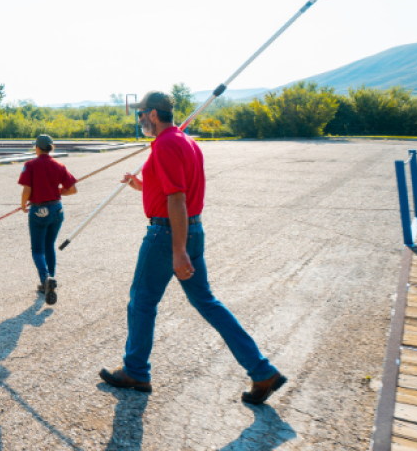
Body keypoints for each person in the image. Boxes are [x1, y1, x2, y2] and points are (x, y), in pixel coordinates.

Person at [99, 91, 286, 405]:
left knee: (141, 302)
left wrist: (178, 249)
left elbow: (176, 198)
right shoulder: (186, 142)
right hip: (190, 229)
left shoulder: (167, 144)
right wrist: (141, 186)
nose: (140, 119)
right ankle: (262, 371)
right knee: (207, 303)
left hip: (167, 235)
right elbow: (172, 188)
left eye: (141, 113)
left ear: (154, 114)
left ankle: (135, 371)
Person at [18, 134, 77, 306]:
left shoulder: (30, 165)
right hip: (57, 209)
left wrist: (23, 205)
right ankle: (50, 279)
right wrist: (59, 192)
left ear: (37, 147)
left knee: (37, 249)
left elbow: (26, 190)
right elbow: (72, 189)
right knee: (49, 246)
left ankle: (45, 280)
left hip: (39, 210)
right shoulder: (59, 165)